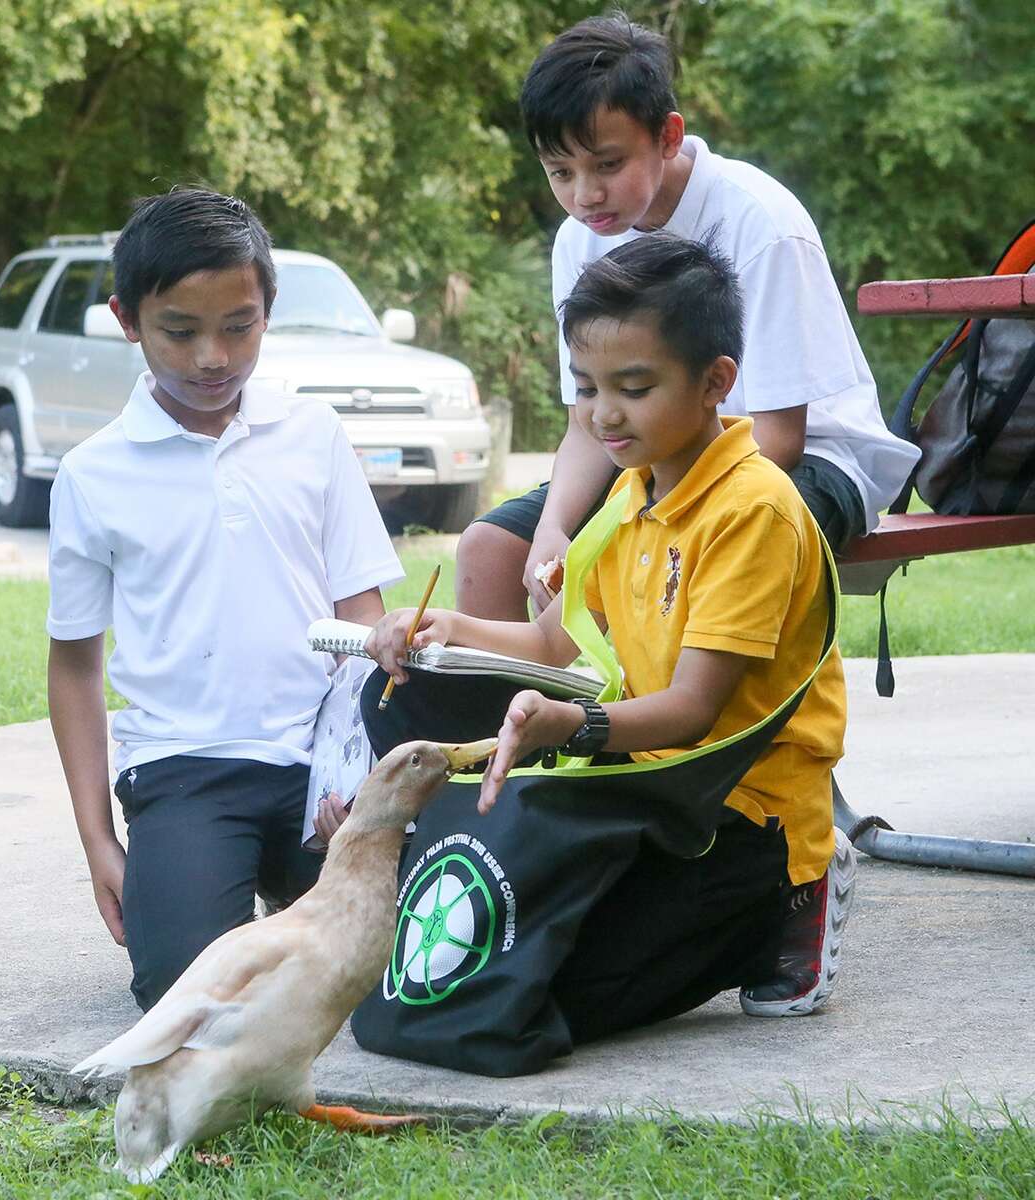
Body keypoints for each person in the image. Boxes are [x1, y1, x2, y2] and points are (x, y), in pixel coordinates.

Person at [367, 232, 855, 1029]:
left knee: (560, 992)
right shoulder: (630, 494)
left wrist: (575, 724)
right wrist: (444, 627)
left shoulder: (753, 508)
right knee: (489, 965)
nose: (603, 413)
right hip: (637, 781)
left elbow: (695, 711)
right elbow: (557, 645)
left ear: (715, 383)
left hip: (737, 807)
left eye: (633, 386)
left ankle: (795, 889)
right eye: (588, 387)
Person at [45, 189, 402, 1011]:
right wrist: (99, 839)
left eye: (238, 326)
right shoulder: (94, 475)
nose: (212, 356)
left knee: (413, 959)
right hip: (185, 769)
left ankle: (290, 884)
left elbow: (362, 619)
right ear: (128, 319)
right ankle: (239, 887)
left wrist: (357, 779)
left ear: (268, 310)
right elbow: (74, 667)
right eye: (180, 330)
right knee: (183, 990)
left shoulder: (312, 435)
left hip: (319, 766)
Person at [456, 13, 920, 621]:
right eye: (560, 172)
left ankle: (660, 716)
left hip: (811, 463)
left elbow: (780, 437)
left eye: (607, 165)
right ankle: (509, 718)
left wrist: (643, 517)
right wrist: (554, 526)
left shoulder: (760, 223)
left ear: (668, 136)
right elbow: (587, 425)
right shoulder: (578, 241)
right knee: (492, 548)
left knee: (681, 557)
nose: (585, 195)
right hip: (656, 457)